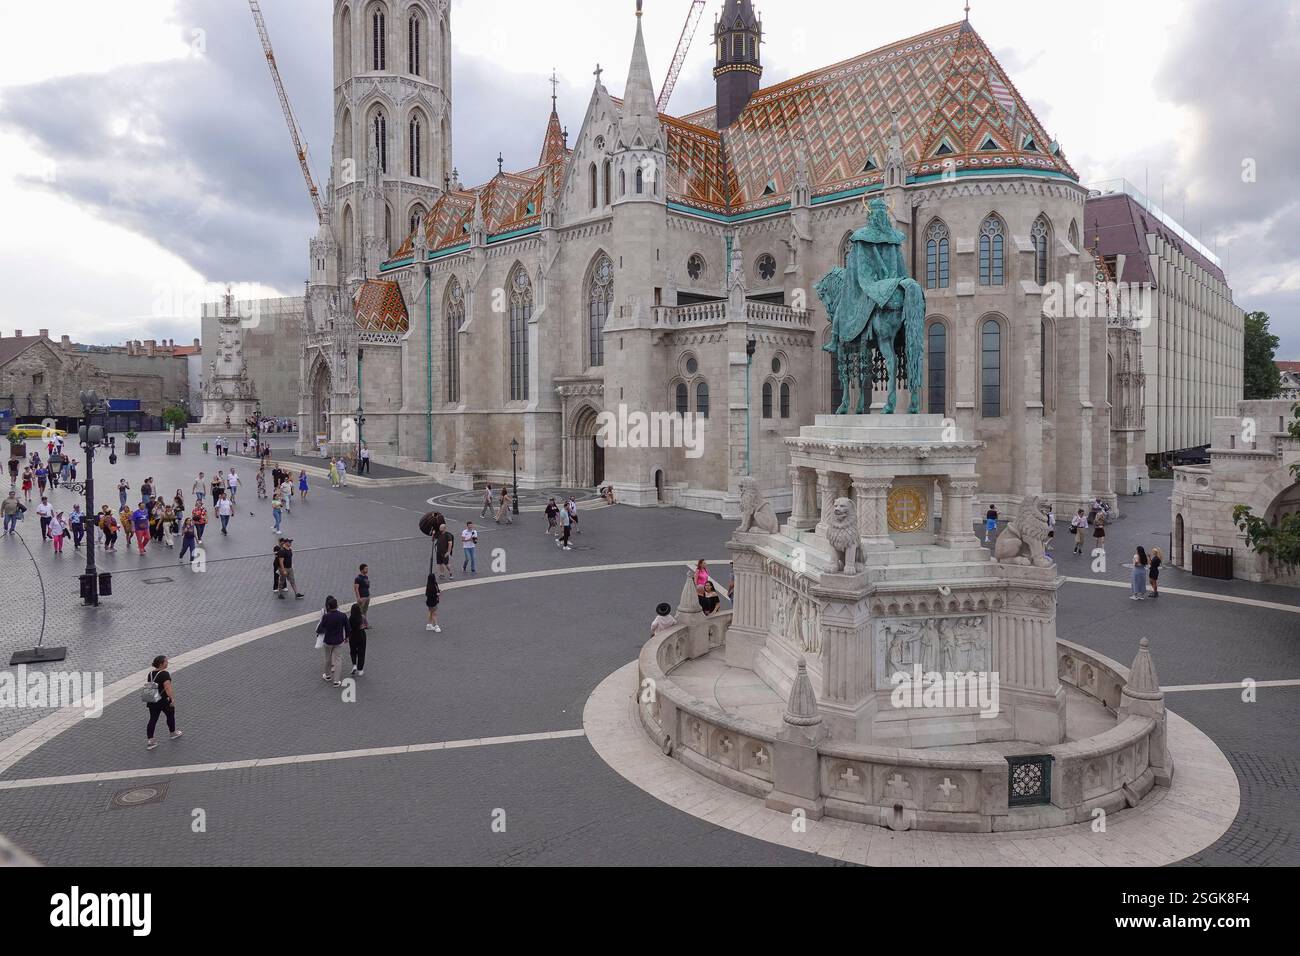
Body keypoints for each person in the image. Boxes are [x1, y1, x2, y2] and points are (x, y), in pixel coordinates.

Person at [144, 655, 181, 750]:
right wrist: (172, 698)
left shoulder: (150, 673)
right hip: (163, 700)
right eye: (166, 661)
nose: (167, 662)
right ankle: (173, 732)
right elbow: (167, 688)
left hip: (152, 700)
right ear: (161, 664)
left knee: (153, 719)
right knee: (170, 715)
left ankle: (150, 740)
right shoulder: (165, 674)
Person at [316, 596, 349, 686]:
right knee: (338, 659)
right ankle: (336, 681)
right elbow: (347, 627)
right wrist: (346, 637)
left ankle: (327, 675)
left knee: (327, 658)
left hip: (328, 640)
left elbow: (322, 626)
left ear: (329, 607)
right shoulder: (342, 616)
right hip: (339, 640)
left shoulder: (326, 616)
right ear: (337, 605)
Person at [347, 603, 368, 676]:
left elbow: (348, 628)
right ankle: (360, 669)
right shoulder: (362, 617)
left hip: (352, 636)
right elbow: (366, 625)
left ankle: (354, 665)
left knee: (353, 651)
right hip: (361, 635)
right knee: (361, 651)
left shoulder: (350, 618)